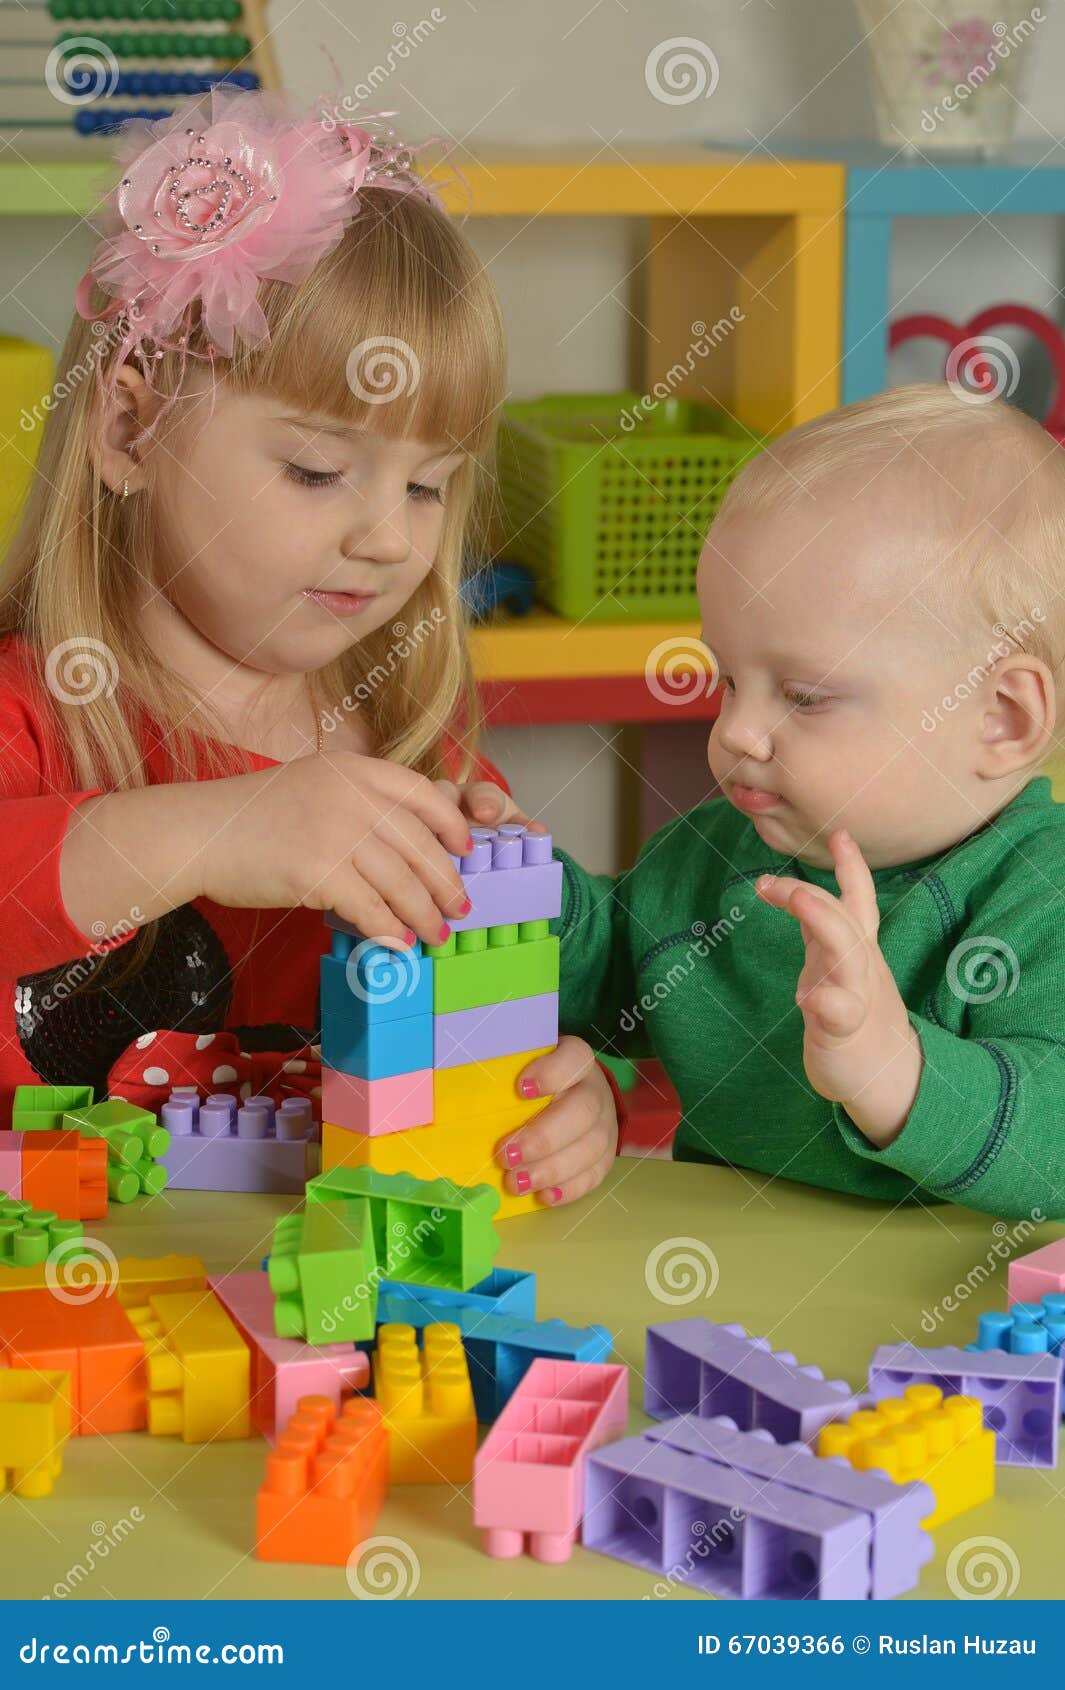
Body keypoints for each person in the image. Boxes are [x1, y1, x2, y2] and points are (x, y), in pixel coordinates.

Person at [0, 86, 619, 1199]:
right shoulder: (30, 717)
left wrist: (575, 1092)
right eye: (316, 470)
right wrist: (221, 828)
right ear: (130, 427)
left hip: (316, 1290)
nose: (388, 539)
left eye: (428, 487)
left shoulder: (416, 755)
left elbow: (512, 1032)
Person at [456, 383, 1065, 1219]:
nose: (736, 732)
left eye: (804, 696)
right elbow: (603, 979)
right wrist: (507, 885)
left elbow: (1052, 1150)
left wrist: (892, 1068)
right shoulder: (715, 853)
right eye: (728, 681)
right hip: (725, 1281)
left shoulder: (1043, 897)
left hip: (958, 1300)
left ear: (1001, 718)